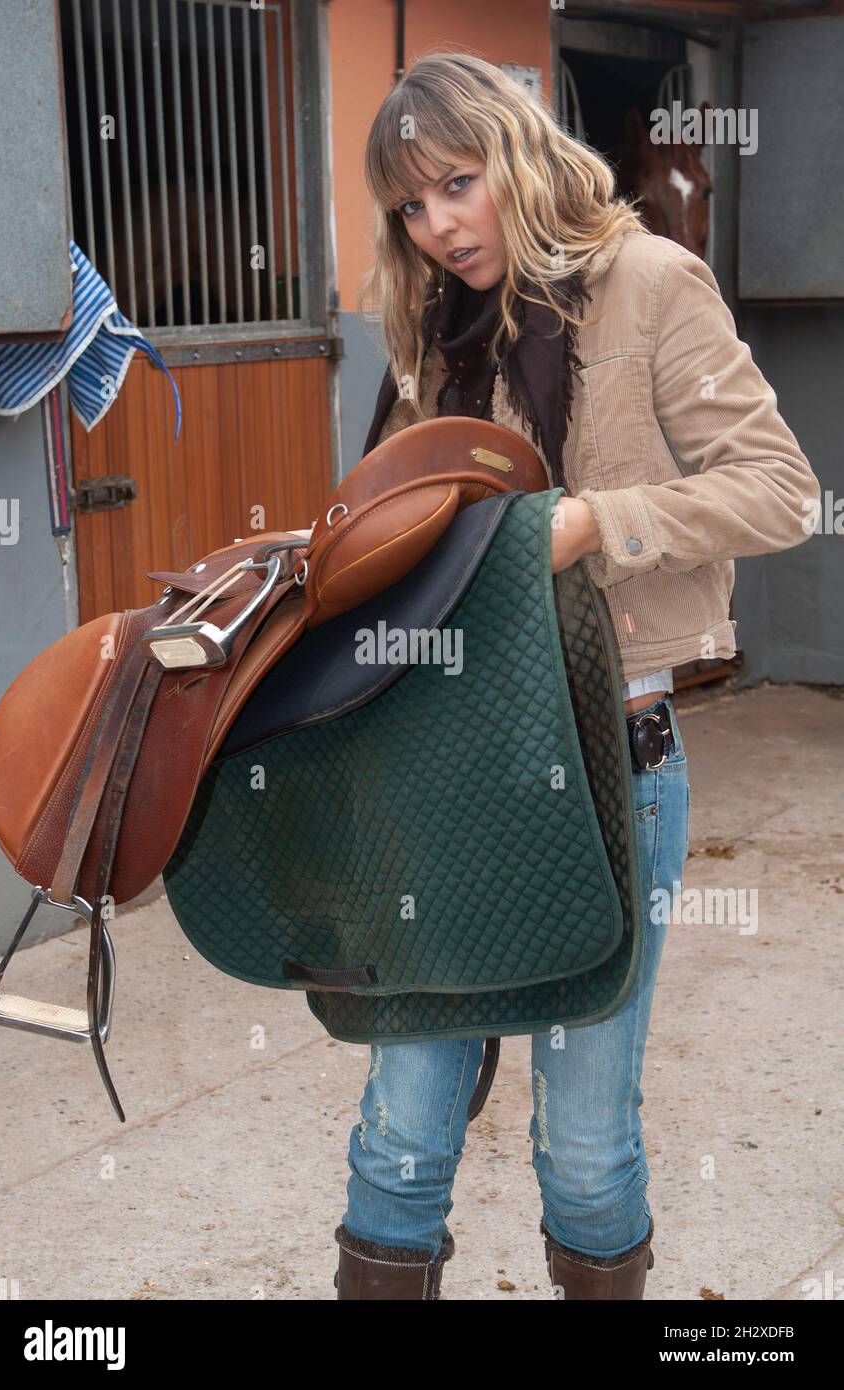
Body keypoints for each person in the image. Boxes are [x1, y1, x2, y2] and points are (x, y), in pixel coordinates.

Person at [332, 52, 820, 1300]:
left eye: (457, 182)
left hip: (614, 764)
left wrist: (599, 522)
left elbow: (782, 492)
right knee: (401, 1133)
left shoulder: (652, 283)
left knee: (588, 1148)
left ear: (516, 151)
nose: (439, 223)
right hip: (443, 772)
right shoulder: (434, 328)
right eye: (411, 205)